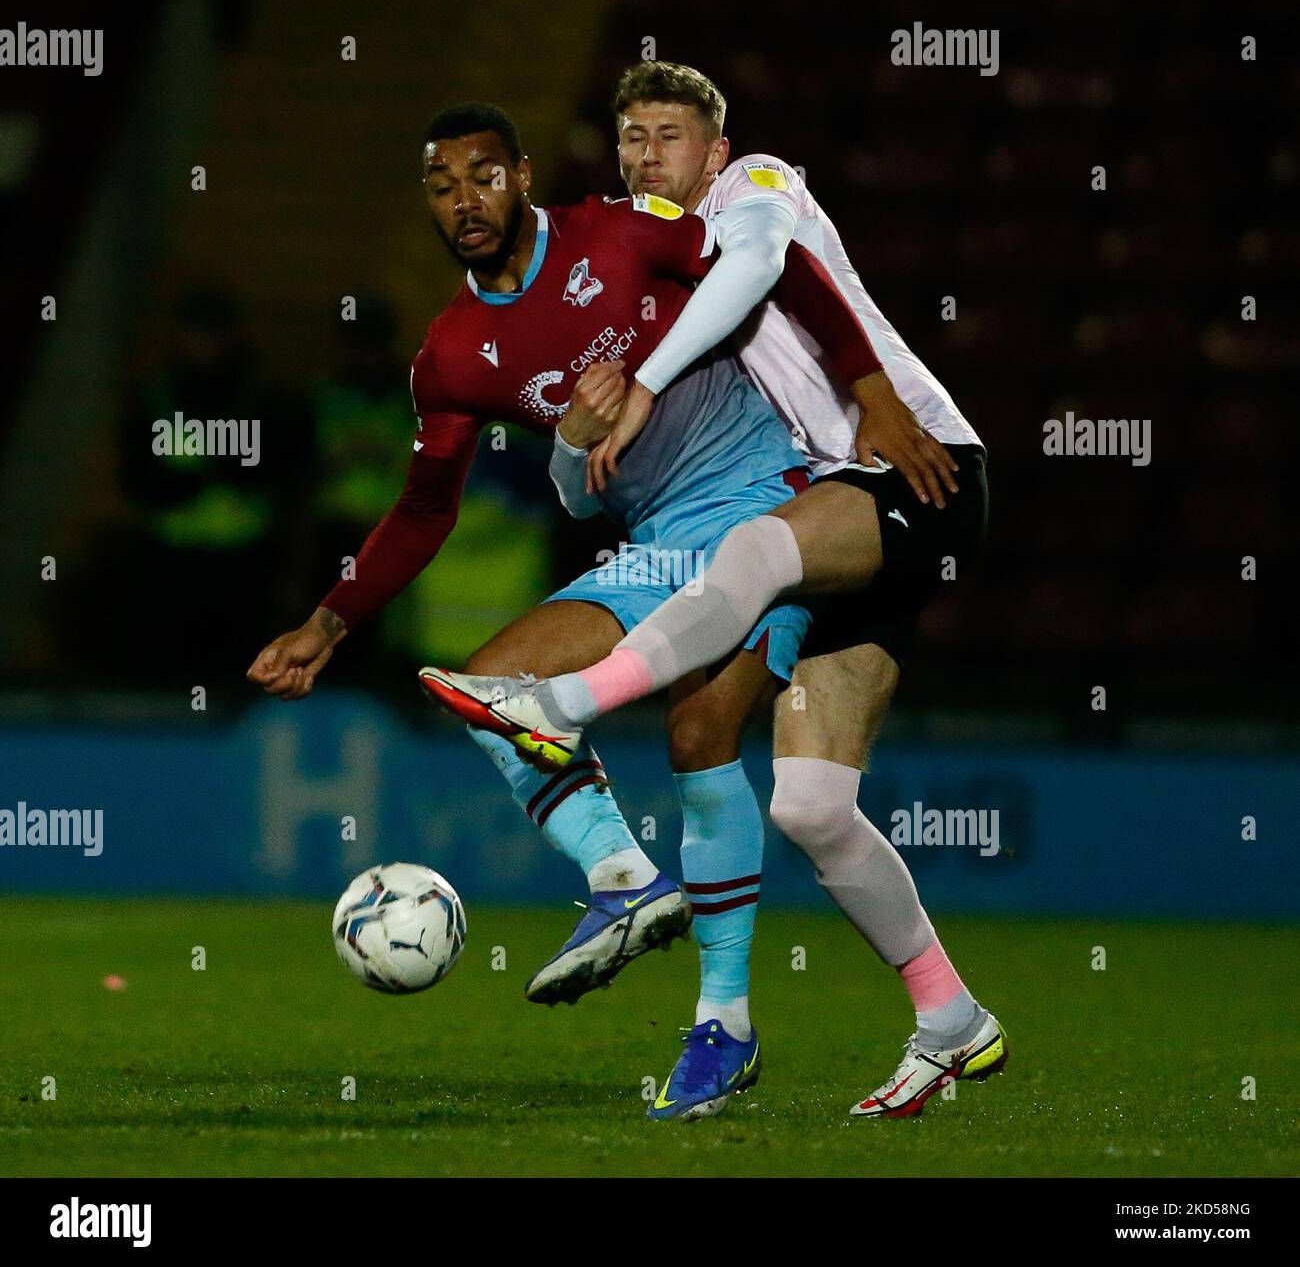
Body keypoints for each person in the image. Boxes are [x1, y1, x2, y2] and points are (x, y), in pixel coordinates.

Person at [248, 100, 886, 1119]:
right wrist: (326, 623)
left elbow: (781, 264)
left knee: (700, 733)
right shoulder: (452, 354)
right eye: (442, 183)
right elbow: (423, 509)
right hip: (656, 533)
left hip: (771, 497)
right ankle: (625, 878)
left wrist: (870, 390)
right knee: (490, 688)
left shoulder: (617, 229)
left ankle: (722, 1024)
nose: (465, 199)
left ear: (522, 174)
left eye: (483, 174)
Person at [420, 63, 1008, 1120]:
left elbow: (759, 264)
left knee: (753, 556)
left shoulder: (756, 192)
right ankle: (951, 1021)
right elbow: (579, 470)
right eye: (632, 138)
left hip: (917, 464)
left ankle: (565, 709)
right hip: (843, 504)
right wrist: (578, 435)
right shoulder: (654, 270)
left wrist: (661, 386)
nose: (650, 156)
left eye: (672, 136)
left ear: (716, 149)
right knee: (812, 806)